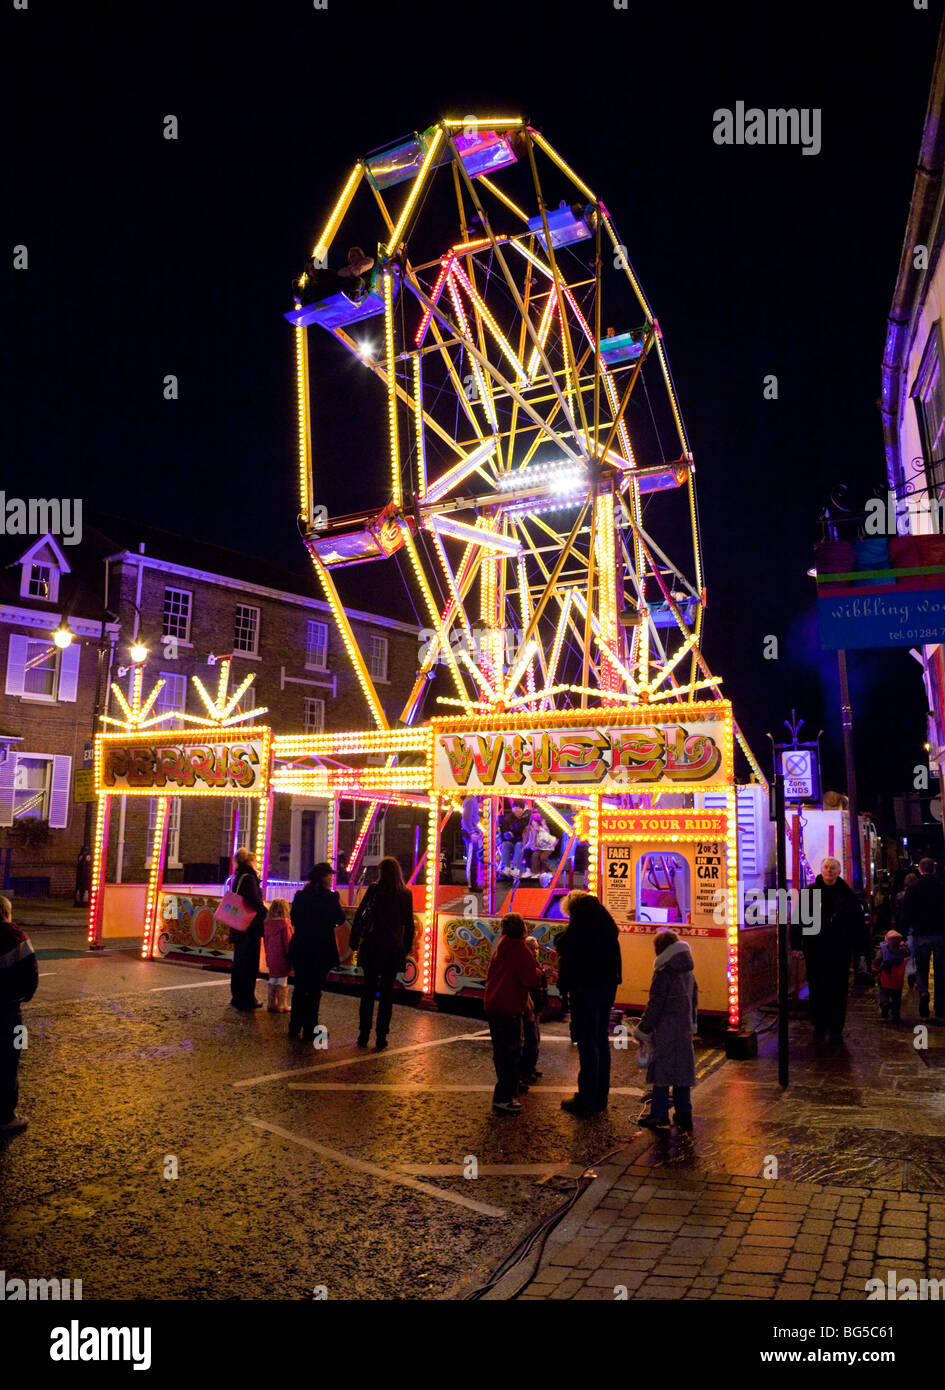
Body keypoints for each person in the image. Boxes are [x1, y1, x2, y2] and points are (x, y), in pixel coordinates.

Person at [555, 891, 622, 1117]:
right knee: (601, 1040)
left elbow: (565, 946)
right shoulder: (606, 928)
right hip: (606, 988)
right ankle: (600, 1096)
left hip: (585, 989)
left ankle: (585, 1099)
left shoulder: (581, 928)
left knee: (586, 1042)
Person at [633, 930, 698, 1131]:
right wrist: (692, 1023)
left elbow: (655, 1004)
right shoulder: (688, 971)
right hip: (684, 1027)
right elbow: (694, 1000)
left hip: (666, 1029)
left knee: (662, 1072)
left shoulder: (664, 972)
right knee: (681, 1072)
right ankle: (684, 1113)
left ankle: (658, 1114)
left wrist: (643, 1029)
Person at [791, 856, 859, 1043]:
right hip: (816, 950)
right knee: (817, 988)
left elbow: (856, 924)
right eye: (826, 867)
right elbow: (798, 921)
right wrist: (795, 945)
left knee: (838, 989)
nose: (829, 870)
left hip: (839, 951)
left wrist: (856, 947)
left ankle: (836, 1027)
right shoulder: (809, 893)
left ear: (838, 871)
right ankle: (819, 1024)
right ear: (822, 870)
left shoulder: (847, 895)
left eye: (833, 868)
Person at [351, 856, 415, 1050]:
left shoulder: (374, 890)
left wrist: (354, 940)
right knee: (387, 994)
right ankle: (381, 1036)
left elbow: (360, 915)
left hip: (372, 946)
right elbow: (409, 924)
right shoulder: (405, 894)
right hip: (392, 948)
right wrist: (406, 947)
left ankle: (363, 1034)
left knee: (368, 991)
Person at [483, 913, 543, 1114]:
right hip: (509, 1006)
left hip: (494, 1004)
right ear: (523, 929)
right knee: (511, 1052)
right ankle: (504, 1096)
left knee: (501, 1052)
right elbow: (530, 979)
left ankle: (507, 1090)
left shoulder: (502, 945)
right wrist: (538, 972)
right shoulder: (521, 951)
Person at [288, 863, 346, 1043]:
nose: (332, 878)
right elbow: (340, 918)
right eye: (329, 875)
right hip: (321, 947)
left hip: (302, 946)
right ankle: (310, 1027)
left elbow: (294, 918)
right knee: (314, 990)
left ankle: (295, 1024)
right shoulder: (329, 898)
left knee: (300, 987)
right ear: (323, 877)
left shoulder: (301, 896)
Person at [0, 895, 38, 1138]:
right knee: (7, 1062)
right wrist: (25, 995)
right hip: (7, 1012)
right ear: (6, 913)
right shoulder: (16, 937)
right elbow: (30, 974)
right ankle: (5, 1118)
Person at [898, 857, 945, 1020]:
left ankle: (924, 992)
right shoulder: (941, 886)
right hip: (940, 935)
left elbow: (905, 913)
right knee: (941, 971)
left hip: (920, 935)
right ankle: (940, 1007)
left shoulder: (913, 888)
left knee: (922, 968)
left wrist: (902, 935)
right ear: (934, 869)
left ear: (920, 870)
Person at [229, 848, 267, 1011]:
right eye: (255, 861)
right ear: (250, 862)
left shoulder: (239, 876)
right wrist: (267, 912)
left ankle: (237, 996)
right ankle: (247, 998)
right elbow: (254, 901)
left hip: (239, 926)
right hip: (249, 927)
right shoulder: (249, 878)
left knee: (239, 963)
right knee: (249, 964)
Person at [295, 246, 375, 307]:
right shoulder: (310, 286)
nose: (314, 270)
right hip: (322, 300)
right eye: (311, 269)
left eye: (316, 267)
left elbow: (351, 278)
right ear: (308, 272)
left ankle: (354, 293)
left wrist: (354, 287)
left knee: (356, 281)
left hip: (361, 286)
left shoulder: (328, 274)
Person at [519, 935, 547, 1090]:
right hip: (531, 1009)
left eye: (537, 948)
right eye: (533, 948)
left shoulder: (535, 964)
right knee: (530, 1040)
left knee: (535, 1039)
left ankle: (530, 1068)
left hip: (536, 1009)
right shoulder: (529, 965)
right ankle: (526, 1070)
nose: (535, 951)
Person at [873, 929, 909, 1023]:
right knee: (897, 998)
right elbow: (908, 956)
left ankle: (884, 1004)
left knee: (883, 993)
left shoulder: (883, 951)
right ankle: (895, 1014)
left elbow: (877, 961)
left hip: (886, 979)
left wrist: (875, 970)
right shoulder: (902, 952)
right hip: (897, 981)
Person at [264, 898, 293, 1014]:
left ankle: (271, 1003)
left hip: (271, 955)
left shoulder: (268, 923)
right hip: (282, 956)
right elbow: (288, 942)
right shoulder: (285, 924)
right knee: (282, 979)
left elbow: (266, 941)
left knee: (273, 978)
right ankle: (282, 1004)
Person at [498, 800, 530, 879]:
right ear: (513, 808)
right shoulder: (507, 819)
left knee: (519, 845)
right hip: (511, 841)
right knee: (505, 844)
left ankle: (516, 869)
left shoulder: (525, 818)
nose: (518, 810)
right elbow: (504, 831)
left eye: (520, 808)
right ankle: (506, 868)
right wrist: (506, 834)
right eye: (516, 807)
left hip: (521, 842)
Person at [460, 795, 483, 891]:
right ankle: (471, 884)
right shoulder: (471, 800)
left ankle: (475, 882)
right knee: (471, 859)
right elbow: (466, 819)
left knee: (475, 858)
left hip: (473, 832)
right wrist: (472, 832)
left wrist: (477, 830)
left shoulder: (472, 800)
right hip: (470, 835)